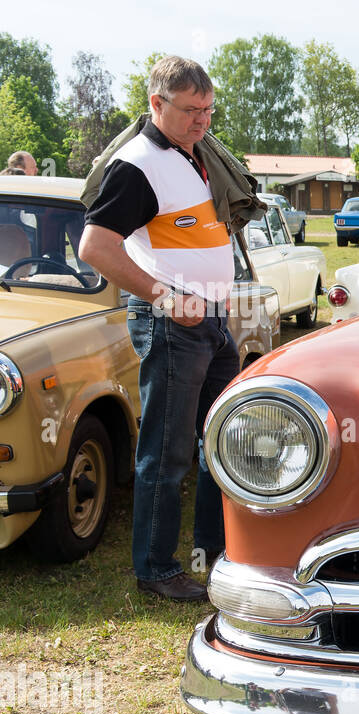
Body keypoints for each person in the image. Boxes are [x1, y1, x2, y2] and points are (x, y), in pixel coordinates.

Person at [79, 55, 262, 602]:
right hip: (172, 325)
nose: (202, 120)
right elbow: (96, 247)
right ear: (155, 104)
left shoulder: (196, 154)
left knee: (221, 441)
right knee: (167, 450)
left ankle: (215, 551)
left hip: (211, 322)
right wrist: (164, 296)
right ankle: (156, 570)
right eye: (190, 110)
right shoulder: (138, 164)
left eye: (208, 109)